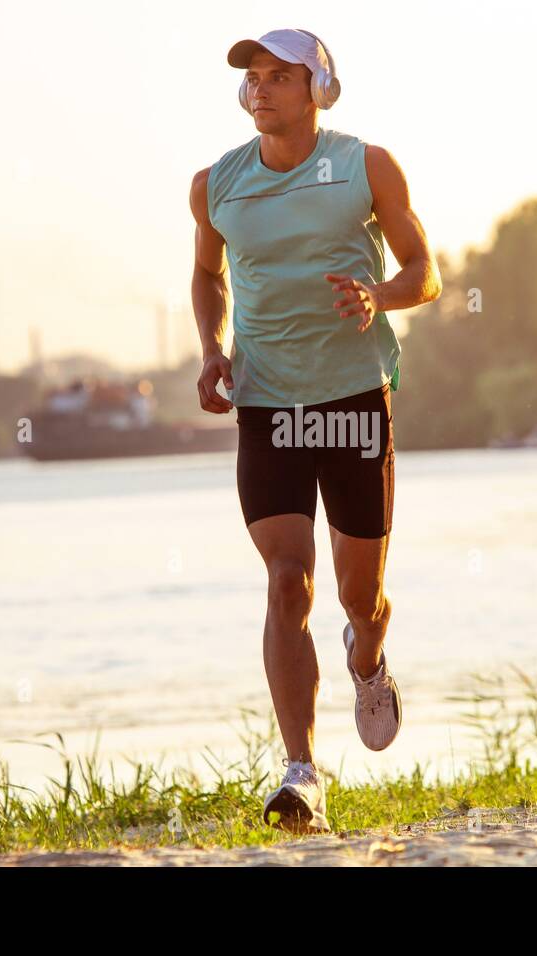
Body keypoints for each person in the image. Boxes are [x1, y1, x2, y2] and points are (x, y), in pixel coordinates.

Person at [188, 28, 442, 833]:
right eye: (251, 78)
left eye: (278, 76)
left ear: (318, 86)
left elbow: (425, 273)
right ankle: (301, 771)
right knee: (286, 581)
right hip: (268, 405)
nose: (259, 89)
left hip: (355, 398)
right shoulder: (215, 184)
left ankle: (367, 657)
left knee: (358, 596)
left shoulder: (367, 166)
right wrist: (210, 349)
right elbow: (205, 272)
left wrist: (379, 297)